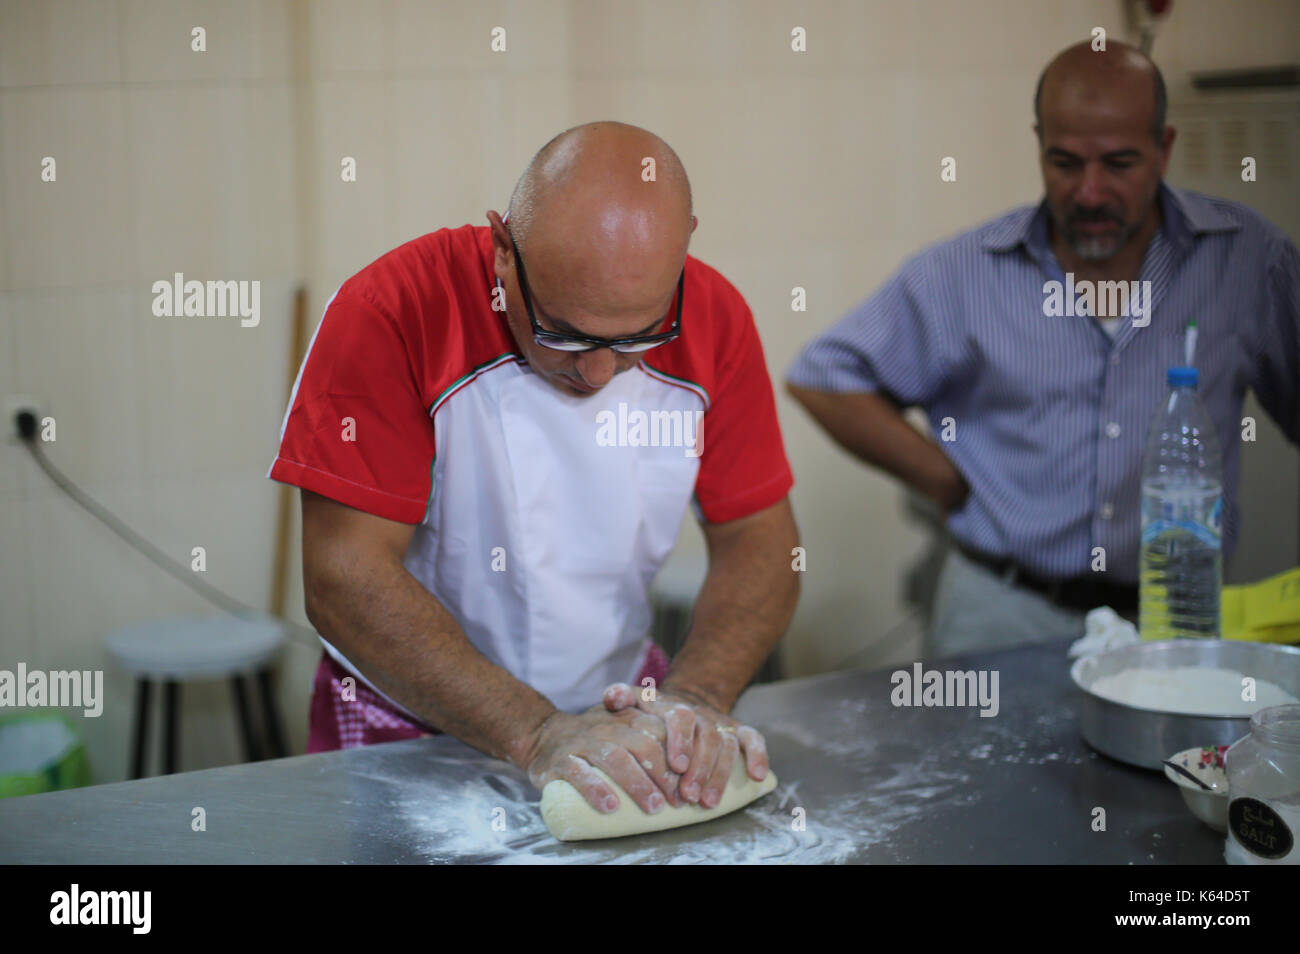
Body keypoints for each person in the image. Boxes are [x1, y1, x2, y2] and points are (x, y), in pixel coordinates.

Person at [270, 122, 799, 816]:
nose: (600, 372)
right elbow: (343, 575)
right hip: (409, 720)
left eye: (639, 337)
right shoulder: (394, 312)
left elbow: (762, 543)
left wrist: (695, 697)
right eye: (566, 333)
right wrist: (535, 729)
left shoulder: (715, 320)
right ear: (501, 251)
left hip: (618, 710)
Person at [786, 41, 1299, 659]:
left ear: (1163, 149)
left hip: (1176, 613)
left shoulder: (1245, 260)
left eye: (1119, 163)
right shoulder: (967, 271)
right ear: (1038, 144)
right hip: (1003, 612)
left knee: (1172, 759)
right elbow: (823, 375)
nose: (1088, 191)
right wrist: (947, 481)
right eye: (1064, 162)